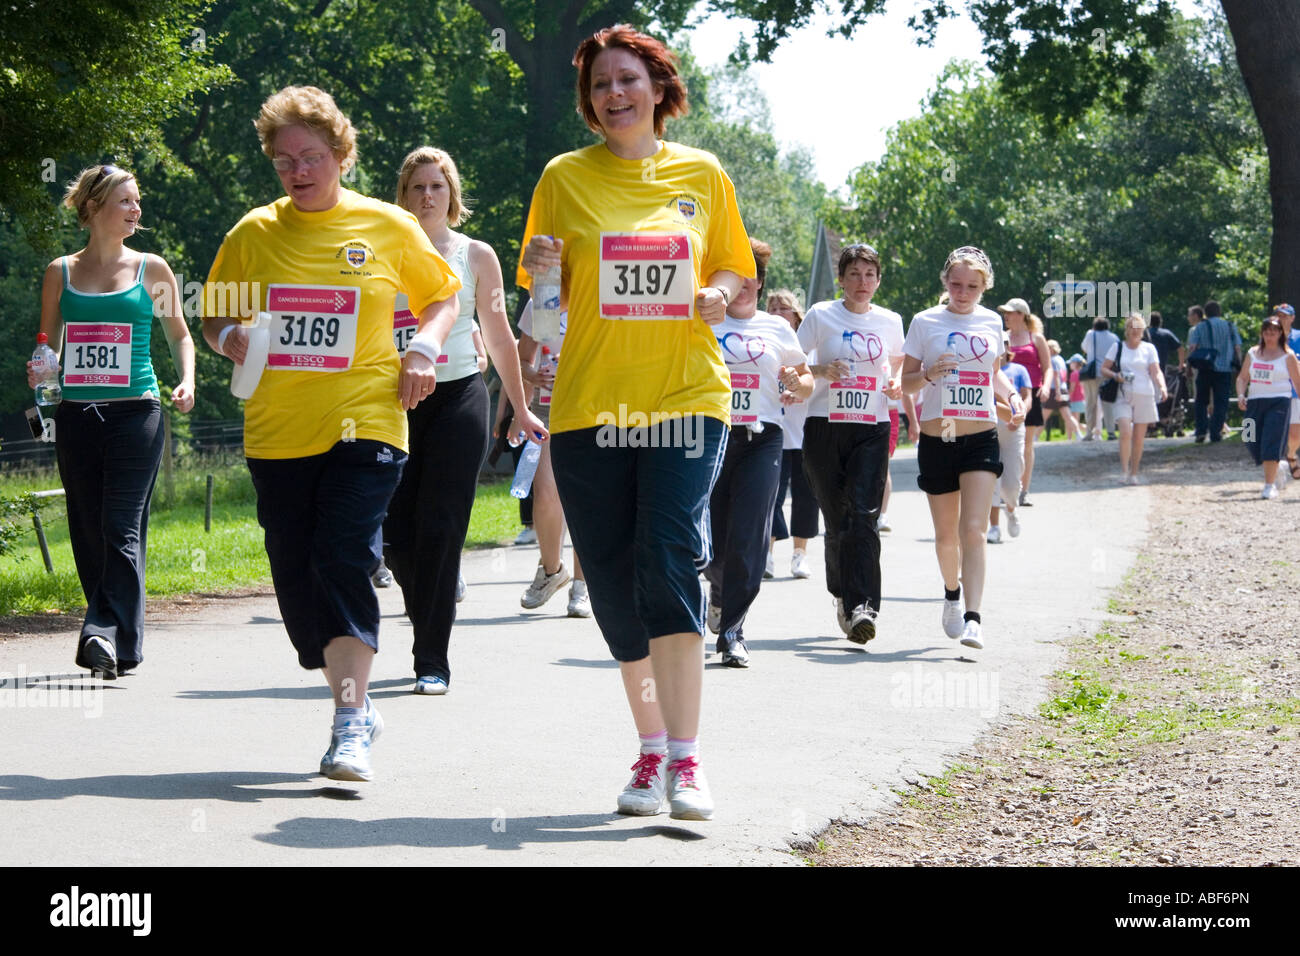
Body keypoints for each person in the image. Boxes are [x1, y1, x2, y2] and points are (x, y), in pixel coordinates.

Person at [518, 24, 753, 820]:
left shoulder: (702, 174)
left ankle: (687, 762)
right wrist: (546, 275)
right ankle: (650, 748)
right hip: (589, 406)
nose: (613, 95)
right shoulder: (563, 177)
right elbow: (542, 301)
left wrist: (720, 292)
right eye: (599, 87)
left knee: (668, 554)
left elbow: (729, 265)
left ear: (658, 89)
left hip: (686, 395)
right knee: (614, 579)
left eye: (627, 80)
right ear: (589, 104)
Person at [202, 86, 462, 782]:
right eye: (284, 160)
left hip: (369, 418)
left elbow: (441, 295)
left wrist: (424, 349)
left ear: (342, 155)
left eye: (311, 156)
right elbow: (212, 319)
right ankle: (348, 691)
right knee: (296, 571)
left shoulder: (386, 225)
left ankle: (350, 721)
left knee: (344, 551)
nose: (298, 170)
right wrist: (235, 339)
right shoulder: (254, 233)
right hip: (279, 428)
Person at [383, 146, 545, 697]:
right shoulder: (381, 249)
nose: (427, 196)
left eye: (437, 186)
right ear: (402, 197)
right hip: (393, 401)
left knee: (442, 526)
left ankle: (432, 658)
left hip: (458, 400)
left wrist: (520, 408)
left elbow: (498, 334)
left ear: (452, 195)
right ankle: (430, 594)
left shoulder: (475, 255)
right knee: (396, 533)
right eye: (417, 188)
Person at [26, 164, 195, 679]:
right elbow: (45, 346)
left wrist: (186, 379)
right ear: (93, 208)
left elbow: (179, 335)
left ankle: (98, 628)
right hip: (76, 416)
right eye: (125, 201)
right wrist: (39, 373)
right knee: (88, 528)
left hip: (136, 411)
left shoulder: (153, 269)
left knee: (118, 524)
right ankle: (125, 644)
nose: (136, 210)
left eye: (137, 201)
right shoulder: (61, 272)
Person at [901, 246, 1025, 651]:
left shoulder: (991, 321)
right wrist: (929, 374)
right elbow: (906, 384)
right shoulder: (925, 321)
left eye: (972, 286)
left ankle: (974, 618)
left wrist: (1015, 396)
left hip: (981, 434)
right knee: (945, 537)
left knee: (973, 529)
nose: (963, 292)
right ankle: (951, 593)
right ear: (945, 282)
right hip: (941, 437)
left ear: (984, 287)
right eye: (956, 284)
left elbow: (993, 375)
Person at [702, 240, 811, 666]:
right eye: (735, 277)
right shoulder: (701, 323)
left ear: (761, 283)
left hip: (762, 438)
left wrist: (795, 384)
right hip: (709, 437)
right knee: (713, 539)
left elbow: (804, 383)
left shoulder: (777, 328)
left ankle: (733, 631)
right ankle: (718, 586)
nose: (743, 285)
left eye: (752, 277)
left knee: (751, 535)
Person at [798, 243, 905, 643]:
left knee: (864, 513)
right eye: (855, 274)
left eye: (870, 275)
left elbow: (897, 366)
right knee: (837, 518)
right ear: (841, 279)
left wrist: (895, 383)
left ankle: (863, 605)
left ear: (878, 280)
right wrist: (822, 369)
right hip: (825, 424)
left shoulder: (891, 321)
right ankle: (842, 596)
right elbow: (791, 361)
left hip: (872, 425)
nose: (863, 282)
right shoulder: (822, 315)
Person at [515, 301, 591, 617]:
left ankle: (583, 587)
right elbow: (521, 360)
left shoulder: (602, 289)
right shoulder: (545, 302)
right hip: (550, 409)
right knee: (546, 495)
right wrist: (535, 376)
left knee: (587, 500)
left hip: (594, 408)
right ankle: (552, 571)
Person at [765, 289, 820, 578]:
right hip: (772, 433)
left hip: (805, 432)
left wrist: (799, 393)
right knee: (769, 496)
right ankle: (768, 555)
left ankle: (800, 554)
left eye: (782, 308)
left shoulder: (808, 348)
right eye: (771, 308)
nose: (776, 313)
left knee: (806, 495)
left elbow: (820, 384)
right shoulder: (762, 341)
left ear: (796, 315)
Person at [1236, 315, 1300, 499]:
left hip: (1279, 401)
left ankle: (1269, 485)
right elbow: (1242, 378)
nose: (1270, 336)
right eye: (1266, 332)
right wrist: (1241, 394)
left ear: (1280, 334)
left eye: (1274, 332)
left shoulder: (1288, 356)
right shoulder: (1252, 353)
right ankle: (1278, 465)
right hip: (1255, 400)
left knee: (1271, 440)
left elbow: (1297, 382)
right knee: (1249, 438)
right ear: (1262, 334)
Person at [1101, 313, 1167, 484]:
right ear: (1127, 330)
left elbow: (1156, 371)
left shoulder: (1149, 349)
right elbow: (1104, 369)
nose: (1136, 332)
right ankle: (1124, 470)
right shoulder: (1118, 347)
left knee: (1138, 438)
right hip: (1123, 394)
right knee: (1125, 431)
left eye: (1139, 328)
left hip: (1144, 394)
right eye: (1133, 328)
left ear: (1143, 330)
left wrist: (1162, 386)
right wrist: (1116, 375)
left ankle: (1134, 472)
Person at [998, 300, 1051, 505]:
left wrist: (1046, 386)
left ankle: (1023, 490)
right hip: (1004, 394)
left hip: (1030, 394)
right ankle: (1003, 488)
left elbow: (1047, 367)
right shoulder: (1003, 338)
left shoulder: (1036, 338)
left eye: (1009, 313)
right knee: (1002, 441)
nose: (1006, 316)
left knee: (1026, 444)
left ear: (1021, 314)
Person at [988, 339, 1031, 543]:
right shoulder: (985, 369)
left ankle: (1011, 508)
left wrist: (1019, 412)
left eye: (1004, 342)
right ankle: (994, 527)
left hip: (1014, 428)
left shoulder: (1019, 370)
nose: (1001, 346)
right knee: (991, 478)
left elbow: (1027, 396)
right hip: (990, 426)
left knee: (1012, 482)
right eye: (999, 342)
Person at [1188, 299, 1242, 443]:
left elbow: (1192, 347)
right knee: (1221, 402)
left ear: (1205, 313)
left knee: (1201, 401)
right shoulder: (1230, 326)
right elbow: (1237, 347)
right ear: (1220, 312)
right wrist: (1239, 366)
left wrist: (1189, 366)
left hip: (1205, 368)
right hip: (1224, 369)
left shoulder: (1200, 327)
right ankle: (1215, 432)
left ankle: (1201, 430)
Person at [1080, 317, 1120, 441]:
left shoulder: (1091, 334)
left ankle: (1089, 433)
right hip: (1107, 374)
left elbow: (1084, 348)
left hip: (1092, 375)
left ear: (1094, 326)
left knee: (1090, 404)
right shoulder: (1114, 338)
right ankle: (1111, 431)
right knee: (1108, 403)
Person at [1272, 304, 1300, 481]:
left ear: (1292, 318)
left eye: (1285, 316)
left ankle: (1290, 455)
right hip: (1275, 391)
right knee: (1274, 431)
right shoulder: (1269, 337)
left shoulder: (1299, 337)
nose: (1281, 319)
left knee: (1296, 434)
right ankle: (1274, 469)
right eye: (1278, 316)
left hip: (1296, 391)